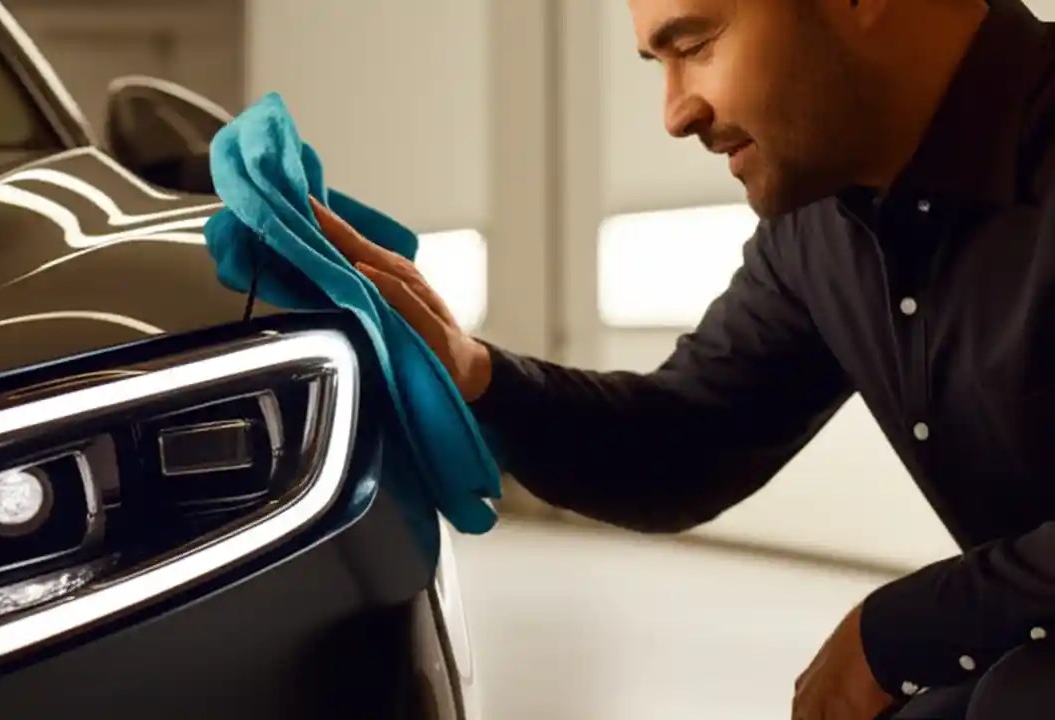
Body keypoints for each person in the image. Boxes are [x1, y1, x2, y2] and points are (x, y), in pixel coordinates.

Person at [310, 0, 1055, 717]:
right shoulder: (821, 225)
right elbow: (688, 439)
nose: (675, 113)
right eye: (655, 63)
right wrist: (472, 371)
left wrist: (900, 630)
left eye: (696, 46)